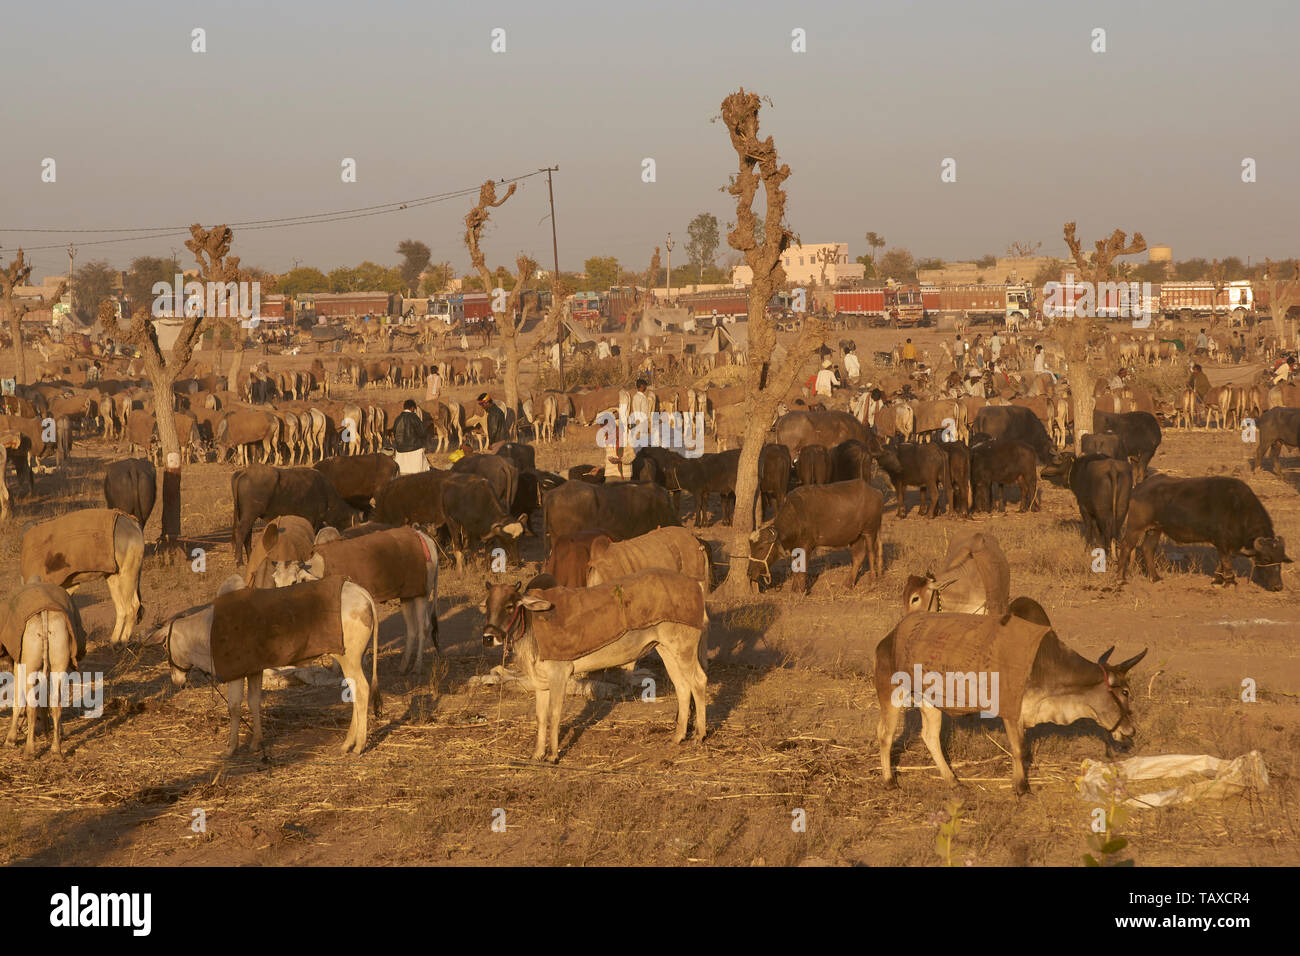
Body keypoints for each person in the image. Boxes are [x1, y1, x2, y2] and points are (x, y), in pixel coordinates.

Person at [392, 399, 428, 475]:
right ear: (412, 408)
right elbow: (422, 433)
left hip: (400, 452)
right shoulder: (414, 417)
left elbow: (394, 434)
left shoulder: (397, 419)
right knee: (419, 475)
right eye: (414, 409)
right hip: (415, 451)